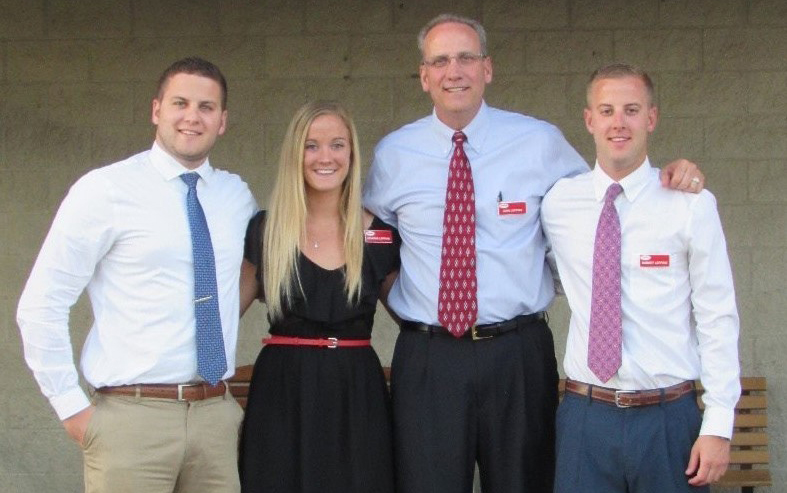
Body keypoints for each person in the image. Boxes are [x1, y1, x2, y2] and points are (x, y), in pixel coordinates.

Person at [362, 13, 706, 493]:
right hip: (428, 356)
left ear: (488, 68)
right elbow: (371, 240)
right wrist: (403, 304)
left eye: (466, 57)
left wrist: (673, 175)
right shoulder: (393, 154)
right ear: (424, 76)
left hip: (517, 354)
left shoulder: (539, 142)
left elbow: (605, 197)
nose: (453, 71)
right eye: (439, 61)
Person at [17, 57, 256, 493]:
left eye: (207, 107)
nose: (192, 116)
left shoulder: (235, 196)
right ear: (155, 110)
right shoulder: (105, 190)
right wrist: (71, 407)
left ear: (223, 121)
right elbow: (41, 304)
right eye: (180, 102)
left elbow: (243, 276)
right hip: (132, 417)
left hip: (214, 416)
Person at [541, 63, 740, 492]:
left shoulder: (690, 205)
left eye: (632, 110)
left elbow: (717, 316)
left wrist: (719, 422)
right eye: (607, 110)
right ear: (589, 120)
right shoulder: (558, 203)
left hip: (668, 418)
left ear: (651, 118)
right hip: (584, 415)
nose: (619, 122)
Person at [238, 101, 399, 493]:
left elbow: (416, 318)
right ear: (296, 153)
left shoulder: (378, 235)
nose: (325, 157)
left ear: (352, 153)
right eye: (312, 146)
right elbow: (223, 316)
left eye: (337, 145)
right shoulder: (266, 230)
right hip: (282, 392)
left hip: (356, 393)